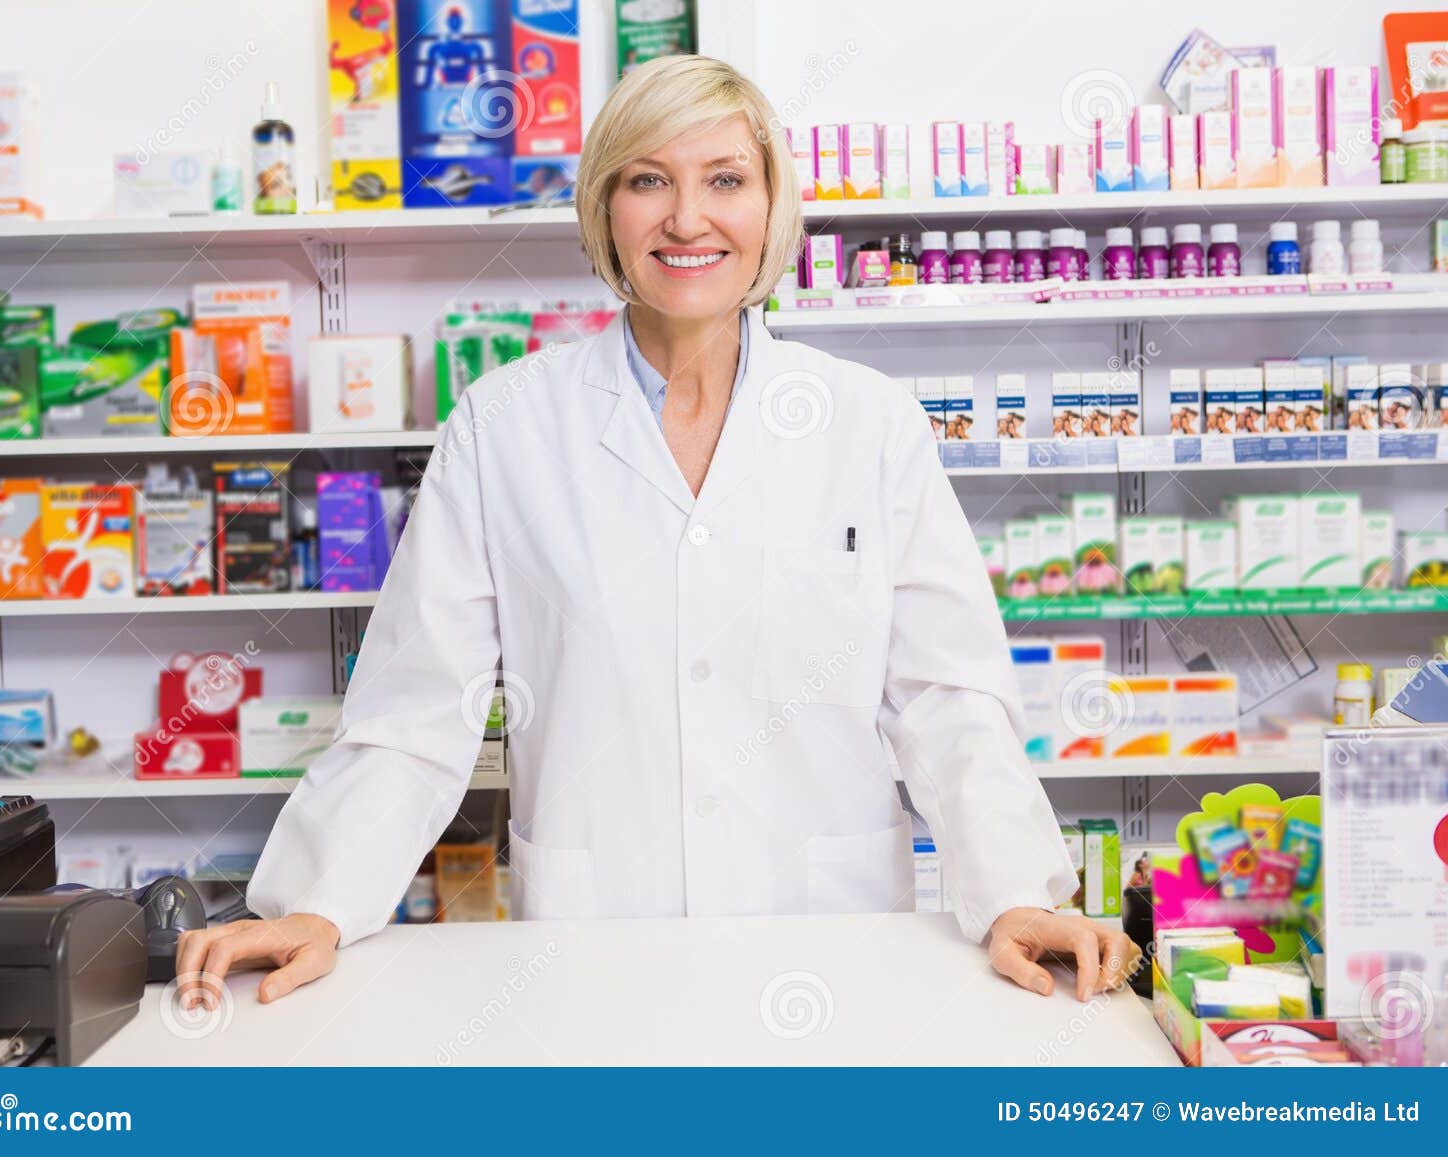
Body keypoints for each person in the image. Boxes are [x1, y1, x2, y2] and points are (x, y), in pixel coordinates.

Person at [179, 55, 1138, 1011]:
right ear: (605, 210)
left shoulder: (868, 422)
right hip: (595, 946)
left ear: (772, 206)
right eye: (649, 181)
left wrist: (1016, 890)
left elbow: (947, 697)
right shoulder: (504, 424)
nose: (687, 219)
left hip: (829, 941)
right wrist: (316, 902)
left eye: (726, 179)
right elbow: (417, 706)